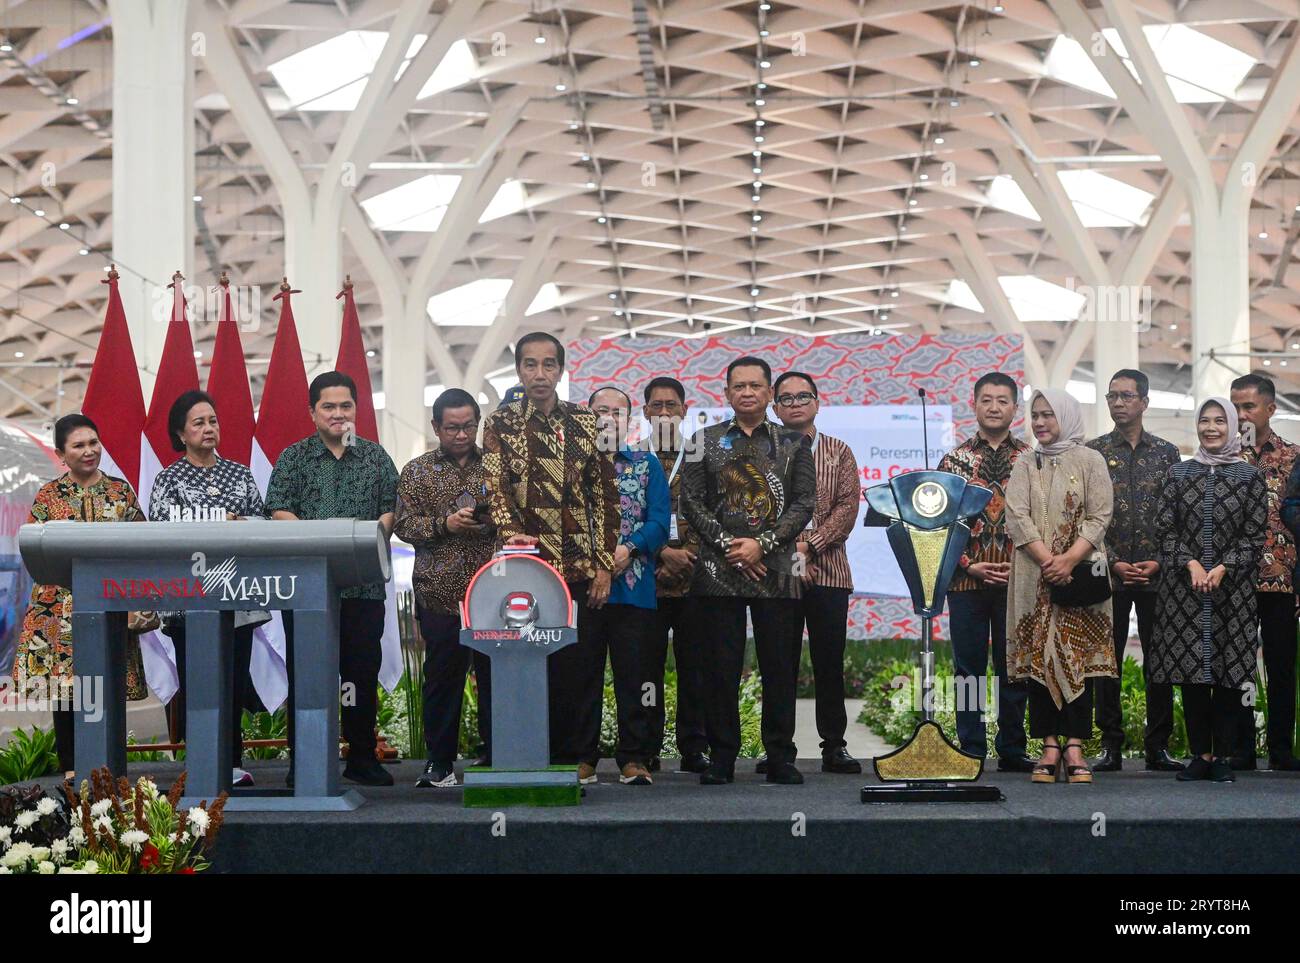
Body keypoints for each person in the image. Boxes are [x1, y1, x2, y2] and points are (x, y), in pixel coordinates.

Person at [480, 331, 619, 784]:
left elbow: (604, 498)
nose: (539, 374)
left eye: (548, 365)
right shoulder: (499, 424)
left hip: (580, 566)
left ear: (561, 370)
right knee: (528, 663)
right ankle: (530, 753)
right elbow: (496, 490)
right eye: (529, 364)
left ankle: (580, 756)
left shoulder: (586, 423)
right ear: (518, 369)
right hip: (525, 569)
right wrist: (509, 534)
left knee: (581, 666)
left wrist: (603, 565)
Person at [681, 355, 816, 785]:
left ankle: (780, 755)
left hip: (776, 567)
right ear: (726, 394)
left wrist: (763, 544)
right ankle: (722, 757)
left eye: (755, 386)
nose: (747, 393)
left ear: (769, 392)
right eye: (738, 386)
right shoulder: (704, 440)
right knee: (720, 669)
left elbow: (803, 504)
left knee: (780, 666)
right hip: (718, 572)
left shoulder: (794, 442)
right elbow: (692, 503)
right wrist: (729, 546)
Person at [265, 370, 399, 787]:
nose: (338, 414)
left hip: (363, 588)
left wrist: (362, 540)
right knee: (307, 675)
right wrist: (324, 541)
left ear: (356, 410)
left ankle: (362, 756)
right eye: (329, 406)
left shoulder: (376, 458)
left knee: (359, 674)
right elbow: (278, 508)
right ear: (313, 412)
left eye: (346, 406)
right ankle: (303, 760)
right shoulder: (294, 458)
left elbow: (392, 510)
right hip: (307, 591)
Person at [12, 413, 146, 776]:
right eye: (79, 446)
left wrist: (136, 602)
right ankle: (72, 769)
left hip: (112, 605)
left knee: (107, 688)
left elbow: (142, 547)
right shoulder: (49, 496)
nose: (89, 451)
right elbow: (34, 549)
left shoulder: (120, 492)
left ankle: (111, 767)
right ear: (61, 454)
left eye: (93, 443)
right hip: (59, 611)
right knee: (67, 691)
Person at [149, 389, 268, 788]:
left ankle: (232, 763)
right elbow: (161, 537)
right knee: (196, 682)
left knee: (233, 682)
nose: (208, 428)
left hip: (237, 597)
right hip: (188, 601)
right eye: (198, 422)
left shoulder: (240, 474)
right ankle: (200, 762)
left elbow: (262, 524)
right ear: (180, 433)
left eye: (212, 420)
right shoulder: (169, 479)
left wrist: (244, 526)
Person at [1151, 398, 1266, 783]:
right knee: (1192, 673)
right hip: (1184, 592)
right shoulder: (1177, 474)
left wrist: (1223, 567)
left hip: (1233, 593)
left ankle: (1222, 757)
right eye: (1205, 421)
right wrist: (1193, 564)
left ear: (1232, 426)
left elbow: (1255, 536)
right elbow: (1164, 530)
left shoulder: (1250, 477)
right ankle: (1199, 754)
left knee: (1228, 674)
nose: (1212, 428)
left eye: (1220, 421)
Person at [1004, 389, 1115, 784]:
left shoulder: (1090, 460)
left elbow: (1100, 515)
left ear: (1066, 416)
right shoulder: (1024, 464)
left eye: (1048, 415)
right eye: (1035, 415)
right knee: (1039, 658)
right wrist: (1047, 561)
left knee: (1076, 657)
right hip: (1034, 578)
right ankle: (1049, 744)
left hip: (1080, 575)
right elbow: (1016, 516)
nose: (1039, 423)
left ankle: (1075, 744)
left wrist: (1068, 560)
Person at [393, 388, 496, 789]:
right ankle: (439, 763)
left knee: (493, 676)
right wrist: (444, 525)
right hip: (439, 593)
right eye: (452, 427)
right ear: (436, 426)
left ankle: (495, 756)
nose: (461, 434)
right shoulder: (417, 471)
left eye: (469, 426)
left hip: (493, 593)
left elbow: (517, 515)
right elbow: (402, 526)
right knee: (443, 678)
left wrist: (488, 523)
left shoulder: (498, 466)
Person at [1085, 370, 1184, 772]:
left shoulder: (1168, 453)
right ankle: (1109, 745)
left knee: (1160, 660)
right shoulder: (1092, 453)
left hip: (1158, 574)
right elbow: (1087, 516)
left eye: (1126, 396)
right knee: (1105, 660)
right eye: (1112, 397)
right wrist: (1113, 561)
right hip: (1107, 573)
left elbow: (1178, 514)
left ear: (1144, 402)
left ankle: (1157, 747)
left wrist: (1160, 558)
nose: (1118, 403)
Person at [936, 371, 1033, 772]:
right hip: (965, 582)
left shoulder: (1031, 458)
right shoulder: (953, 460)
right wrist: (968, 565)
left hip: (1018, 581)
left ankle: (1012, 749)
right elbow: (939, 522)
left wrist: (1025, 566)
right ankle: (971, 748)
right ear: (974, 405)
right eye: (987, 400)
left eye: (1003, 400)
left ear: (1015, 408)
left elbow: (1042, 520)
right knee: (968, 668)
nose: (994, 407)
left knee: (1014, 666)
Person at [577, 386, 668, 785]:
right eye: (601, 410)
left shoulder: (647, 465)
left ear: (630, 421)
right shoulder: (570, 467)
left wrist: (628, 549)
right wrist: (595, 560)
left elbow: (659, 523)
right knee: (581, 676)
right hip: (581, 590)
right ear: (587, 416)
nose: (608, 418)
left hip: (635, 589)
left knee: (637, 677)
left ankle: (635, 757)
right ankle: (582, 756)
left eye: (617, 412)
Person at [771, 370, 862, 774]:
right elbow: (757, 511)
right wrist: (790, 553)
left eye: (802, 396)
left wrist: (808, 546)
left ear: (818, 402)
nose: (794, 404)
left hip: (829, 573)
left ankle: (834, 746)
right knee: (779, 664)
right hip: (777, 575)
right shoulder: (763, 451)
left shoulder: (839, 451)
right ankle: (778, 751)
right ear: (775, 407)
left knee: (829, 663)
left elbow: (847, 509)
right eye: (786, 398)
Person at [639, 376, 710, 774]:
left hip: (695, 581)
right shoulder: (631, 458)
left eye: (672, 405)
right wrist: (662, 553)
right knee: (646, 673)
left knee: (694, 670)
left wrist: (688, 556)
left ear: (685, 409)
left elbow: (716, 513)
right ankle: (646, 746)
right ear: (646, 411)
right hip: (647, 581)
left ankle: (694, 747)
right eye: (656, 406)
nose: (664, 412)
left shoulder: (703, 457)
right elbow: (626, 517)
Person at [1232, 374, 1300, 770]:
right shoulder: (1222, 458)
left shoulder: (1294, 457)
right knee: (1237, 667)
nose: (1240, 415)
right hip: (1233, 581)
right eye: (1235, 406)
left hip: (1282, 580)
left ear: (1270, 410)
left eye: (1249, 407)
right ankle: (1241, 749)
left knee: (1280, 666)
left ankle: (1280, 750)